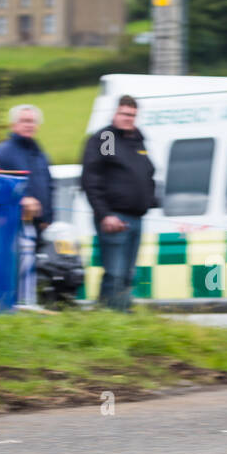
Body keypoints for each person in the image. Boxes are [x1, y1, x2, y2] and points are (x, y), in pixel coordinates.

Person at [80, 95, 157, 312]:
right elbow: (93, 178)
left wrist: (149, 199)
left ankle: (117, 316)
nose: (128, 119)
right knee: (115, 272)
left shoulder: (137, 140)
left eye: (132, 115)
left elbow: (145, 172)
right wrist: (105, 214)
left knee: (127, 273)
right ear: (115, 113)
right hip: (115, 217)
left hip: (136, 216)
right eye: (124, 114)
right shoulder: (108, 139)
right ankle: (111, 316)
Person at [0, 103, 55, 233]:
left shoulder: (40, 153)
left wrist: (47, 218)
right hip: (13, 225)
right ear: (13, 125)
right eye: (24, 121)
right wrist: (21, 200)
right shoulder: (1, 153)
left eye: (32, 122)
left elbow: (50, 186)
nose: (29, 125)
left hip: (40, 225)